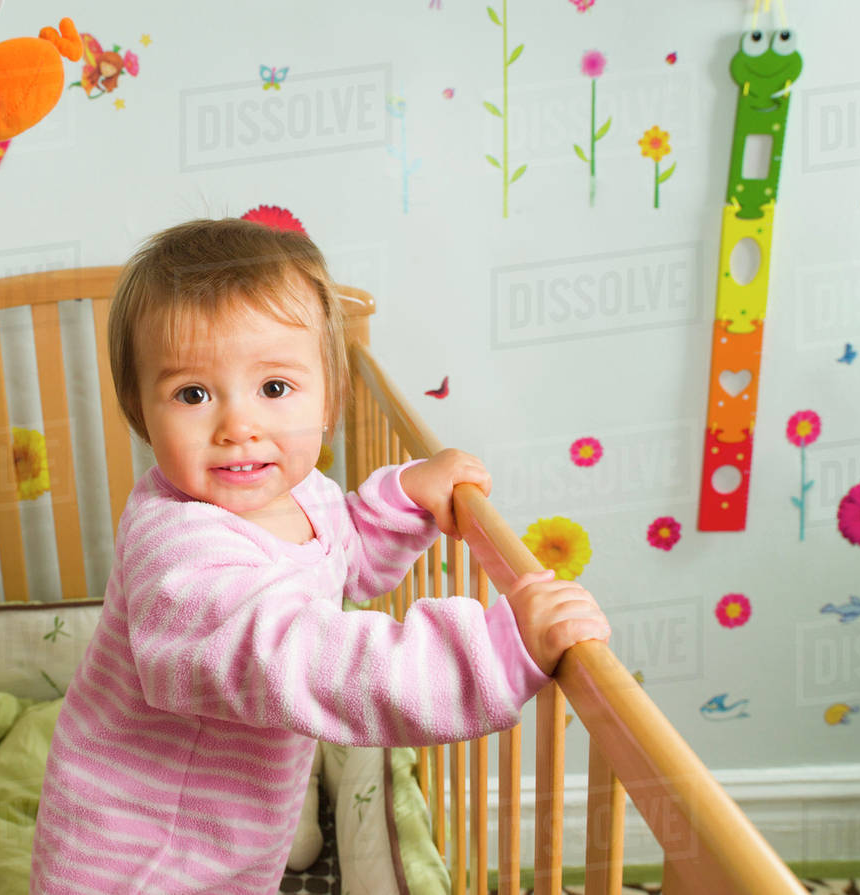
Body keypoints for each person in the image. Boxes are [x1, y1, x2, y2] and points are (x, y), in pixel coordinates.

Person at [30, 218, 610, 894]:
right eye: (193, 394)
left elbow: (342, 552)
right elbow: (301, 658)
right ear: (141, 412)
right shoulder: (180, 555)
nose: (238, 426)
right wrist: (487, 656)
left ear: (330, 394)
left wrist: (406, 500)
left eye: (274, 388)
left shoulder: (299, 492)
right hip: (140, 859)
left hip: (231, 834)